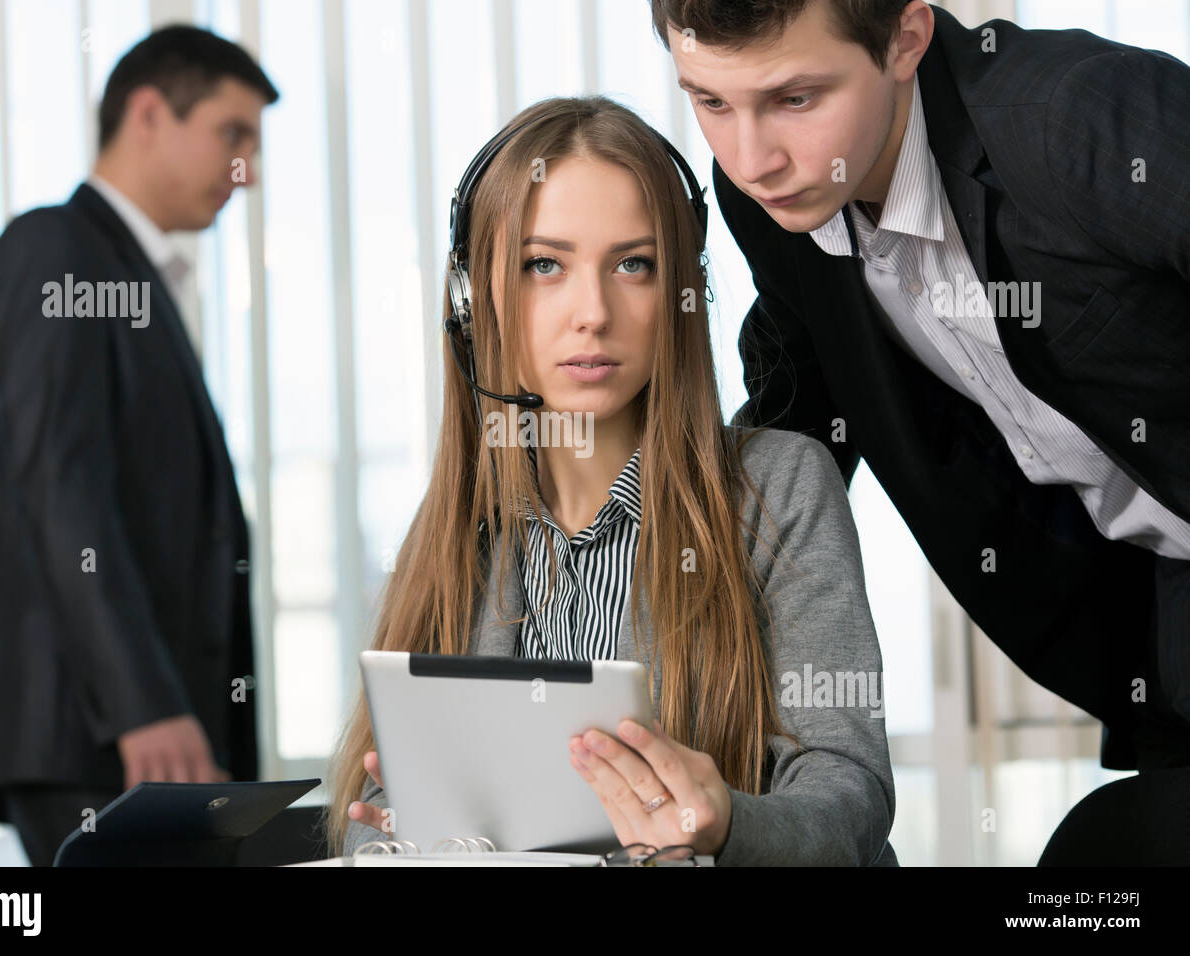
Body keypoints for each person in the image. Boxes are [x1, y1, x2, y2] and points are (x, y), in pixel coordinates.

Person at [650, 0, 1190, 831]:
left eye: (796, 99)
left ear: (905, 39)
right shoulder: (773, 200)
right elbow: (796, 418)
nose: (752, 158)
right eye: (712, 102)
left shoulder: (1074, 116)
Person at [327, 95, 898, 865]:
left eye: (634, 265)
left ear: (680, 293)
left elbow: (849, 793)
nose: (592, 312)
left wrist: (726, 825)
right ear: (473, 299)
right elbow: (379, 801)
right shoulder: (456, 524)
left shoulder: (780, 486)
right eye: (544, 265)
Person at [0, 25, 279, 866]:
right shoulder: (56, 250)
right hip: (103, 737)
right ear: (146, 113)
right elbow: (62, 489)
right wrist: (141, 704)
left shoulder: (136, 276)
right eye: (231, 135)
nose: (248, 170)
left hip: (143, 737)